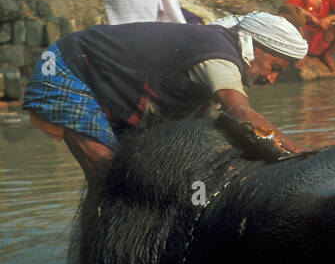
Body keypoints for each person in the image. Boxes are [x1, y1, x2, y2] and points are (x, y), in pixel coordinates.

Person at [22, 13, 308, 185]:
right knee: (107, 170)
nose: (270, 79)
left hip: (108, 77)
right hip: (66, 67)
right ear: (254, 47)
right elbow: (241, 112)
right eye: (274, 69)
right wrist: (297, 152)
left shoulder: (220, 51)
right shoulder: (219, 56)